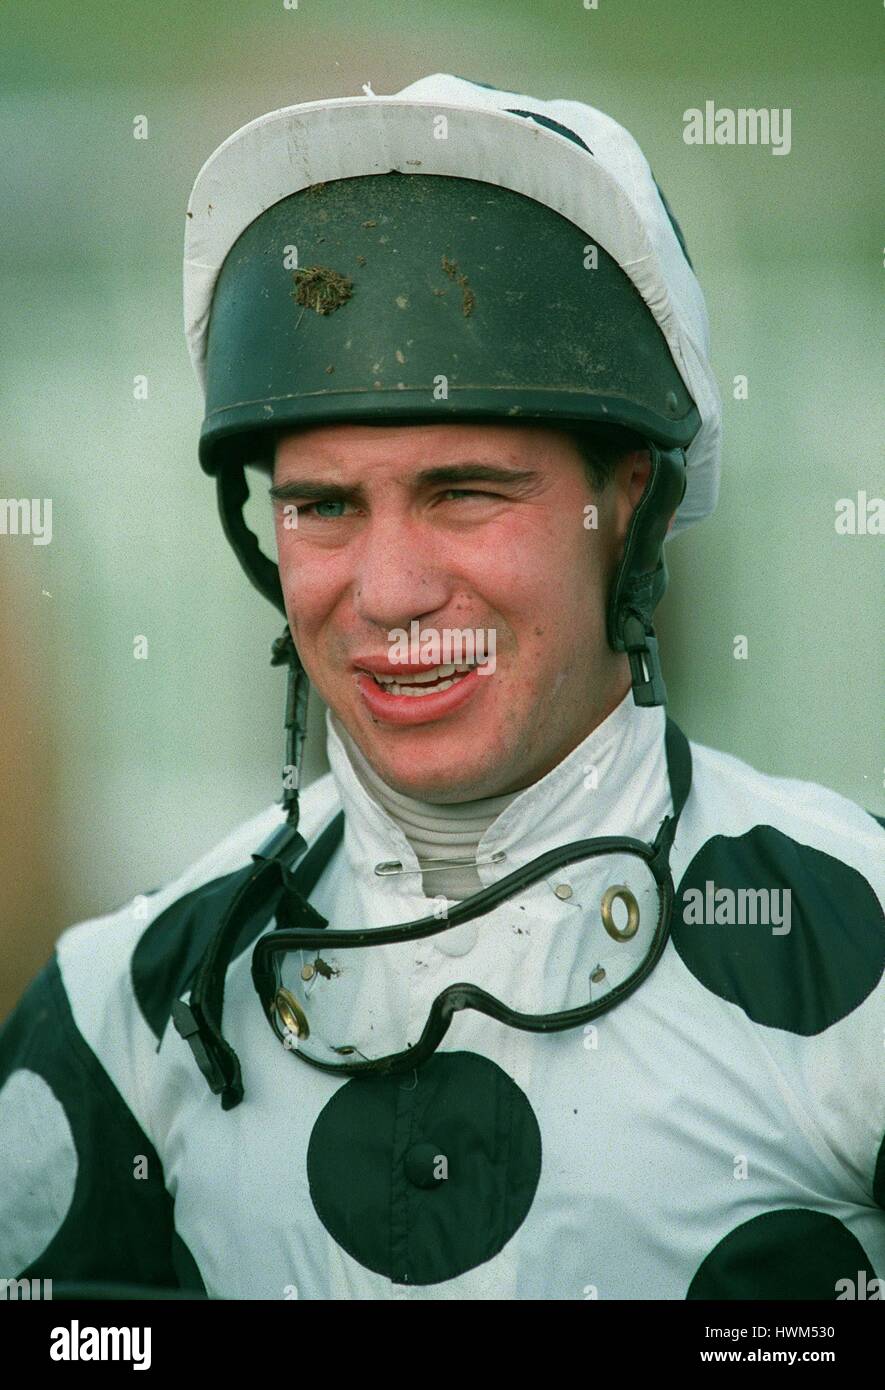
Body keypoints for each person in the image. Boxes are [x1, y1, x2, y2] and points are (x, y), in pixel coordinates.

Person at [1, 73, 882, 1302]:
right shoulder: (120, 1011)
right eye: (323, 506)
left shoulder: (859, 954)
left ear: (629, 503)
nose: (391, 588)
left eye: (464, 491)